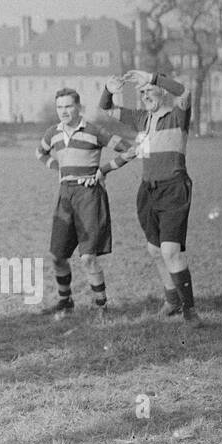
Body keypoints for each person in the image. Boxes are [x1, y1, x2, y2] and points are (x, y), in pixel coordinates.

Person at [98, 69, 201, 323]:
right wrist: (108, 90)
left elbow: (185, 92)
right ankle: (172, 301)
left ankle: (190, 310)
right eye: (141, 92)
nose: (145, 95)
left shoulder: (178, 113)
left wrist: (152, 77)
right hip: (147, 190)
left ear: (162, 91)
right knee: (154, 250)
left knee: (170, 251)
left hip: (173, 188)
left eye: (149, 90)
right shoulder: (141, 118)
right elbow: (107, 109)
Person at [35, 88, 136, 319]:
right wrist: (57, 168)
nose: (64, 112)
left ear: (78, 107)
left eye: (68, 106)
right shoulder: (53, 133)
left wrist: (103, 170)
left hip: (89, 196)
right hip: (65, 196)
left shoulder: (94, 131)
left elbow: (130, 149)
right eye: (60, 107)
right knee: (57, 256)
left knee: (88, 257)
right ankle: (65, 302)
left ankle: (101, 307)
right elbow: (40, 153)